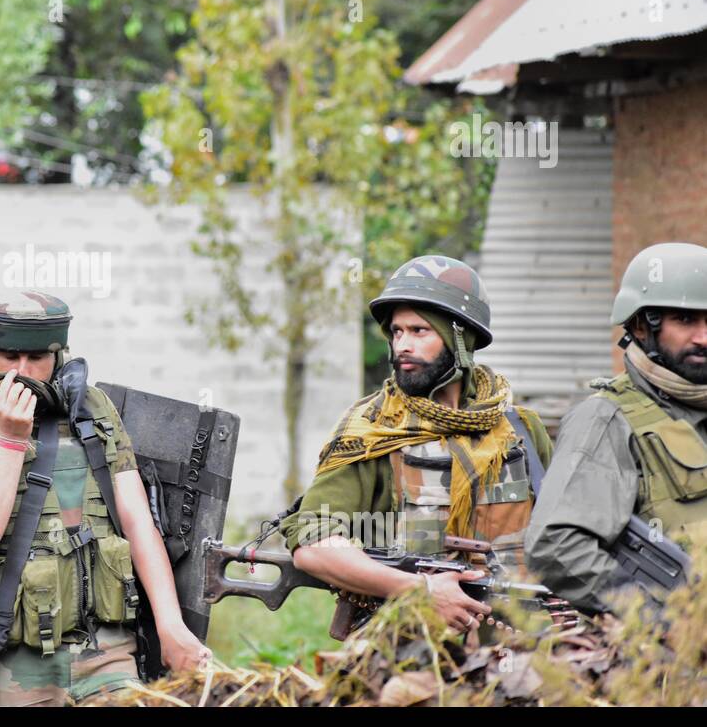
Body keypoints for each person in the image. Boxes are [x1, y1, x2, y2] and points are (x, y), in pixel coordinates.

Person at [0, 290, 210, 706]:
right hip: (17, 663)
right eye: (9, 358)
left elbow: (137, 520)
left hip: (109, 654)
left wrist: (171, 626)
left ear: (59, 355)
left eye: (37, 359)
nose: (23, 372)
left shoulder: (94, 411)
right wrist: (10, 440)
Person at [281, 256, 553, 634]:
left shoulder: (519, 430)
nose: (402, 346)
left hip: (518, 655)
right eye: (397, 332)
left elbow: (561, 539)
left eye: (419, 331)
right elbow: (313, 545)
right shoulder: (371, 431)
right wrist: (421, 590)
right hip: (407, 657)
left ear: (461, 338)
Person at [527, 243, 707, 613]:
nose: (703, 337)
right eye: (685, 320)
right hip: (666, 658)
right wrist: (652, 618)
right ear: (642, 326)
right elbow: (556, 546)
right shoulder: (607, 419)